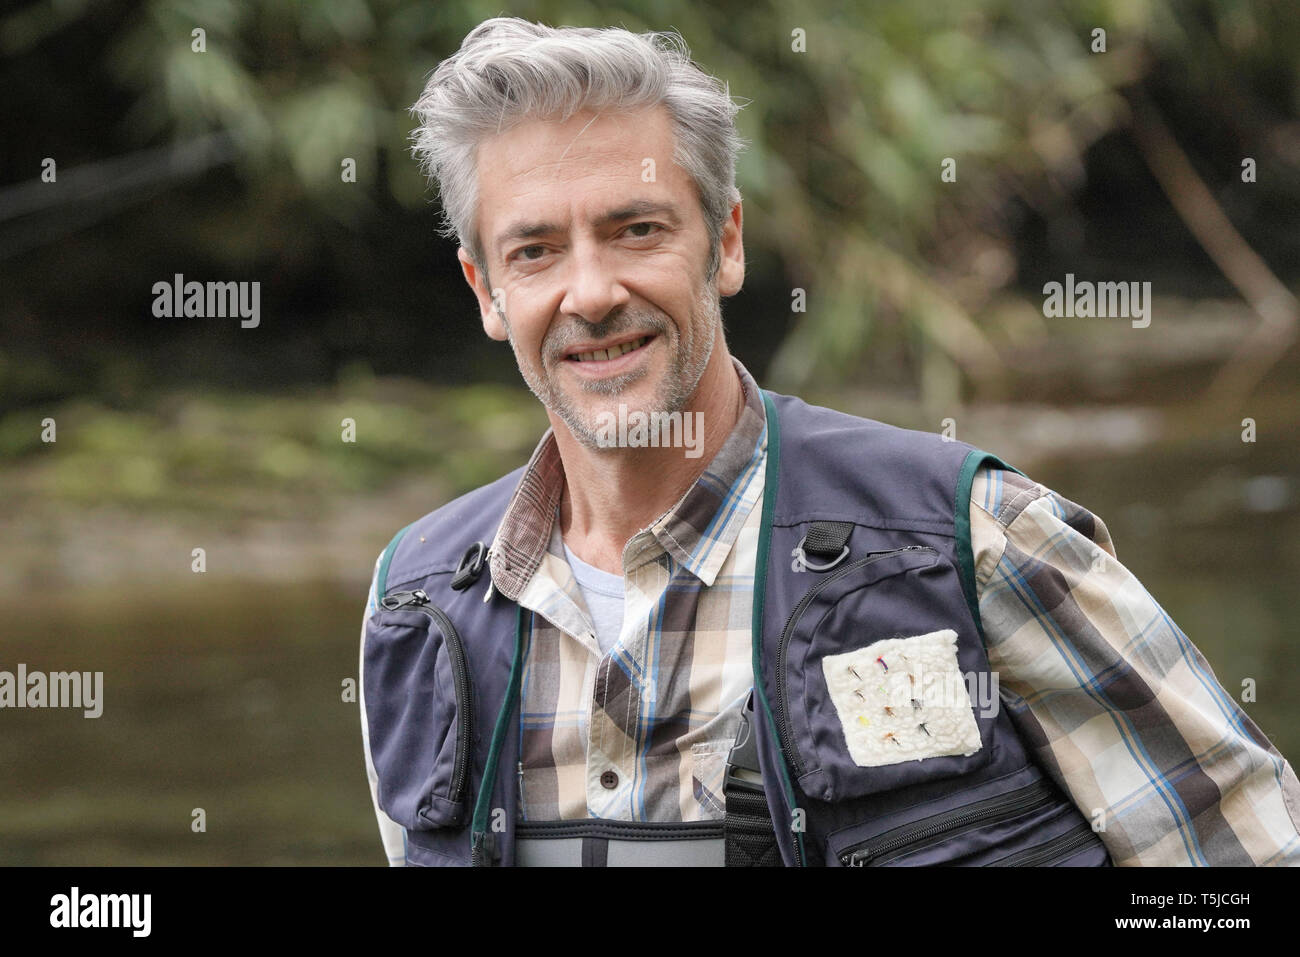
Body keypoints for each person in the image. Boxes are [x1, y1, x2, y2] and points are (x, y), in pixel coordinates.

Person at [358, 16, 1300, 866]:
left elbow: (1246, 856)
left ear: (724, 244)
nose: (592, 291)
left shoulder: (972, 539)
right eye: (535, 252)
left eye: (636, 229)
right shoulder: (416, 604)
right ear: (486, 291)